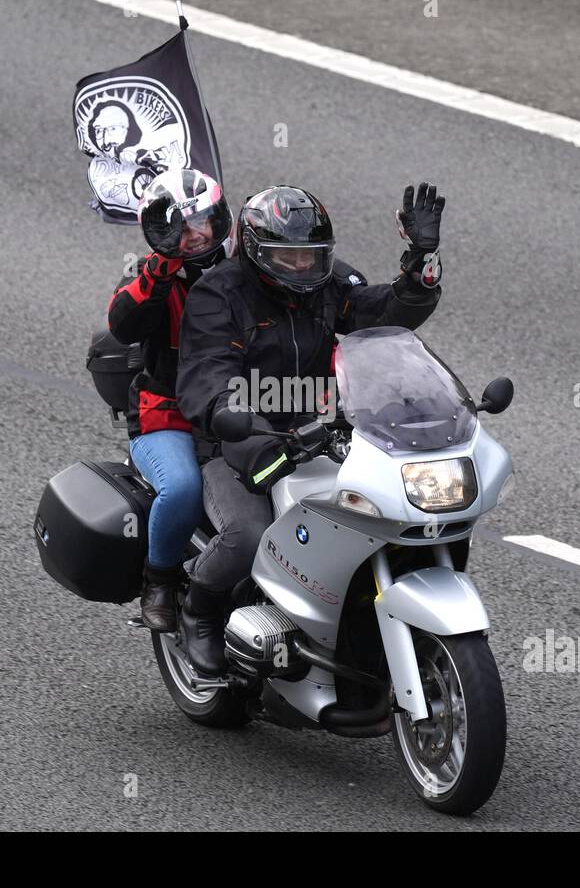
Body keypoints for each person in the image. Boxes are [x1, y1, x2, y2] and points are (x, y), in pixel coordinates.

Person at [175, 182, 447, 673]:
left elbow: (387, 317)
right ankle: (199, 612)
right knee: (250, 533)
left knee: (381, 513)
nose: (303, 266)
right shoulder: (218, 295)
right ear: (258, 253)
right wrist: (244, 426)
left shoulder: (328, 285)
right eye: (289, 257)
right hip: (235, 439)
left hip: (321, 431)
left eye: (311, 256)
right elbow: (209, 376)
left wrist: (421, 263)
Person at [108, 168, 233, 631]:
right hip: (168, 416)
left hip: (241, 408)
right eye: (179, 226)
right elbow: (123, 322)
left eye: (202, 220)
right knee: (182, 488)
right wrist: (161, 269)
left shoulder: (249, 267)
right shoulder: (154, 273)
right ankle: (158, 580)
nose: (195, 234)